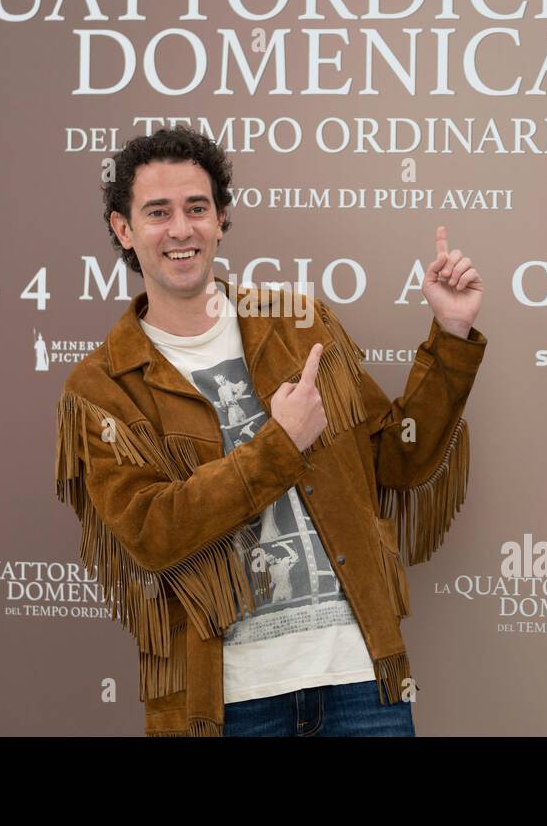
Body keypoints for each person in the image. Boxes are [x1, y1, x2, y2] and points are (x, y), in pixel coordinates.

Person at [54, 124, 489, 736]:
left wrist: (451, 336)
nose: (181, 229)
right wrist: (279, 446)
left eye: (197, 208)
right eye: (158, 212)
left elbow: (399, 461)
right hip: (227, 703)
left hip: (359, 682)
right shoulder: (102, 385)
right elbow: (153, 532)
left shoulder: (298, 323)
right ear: (123, 229)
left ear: (221, 219)